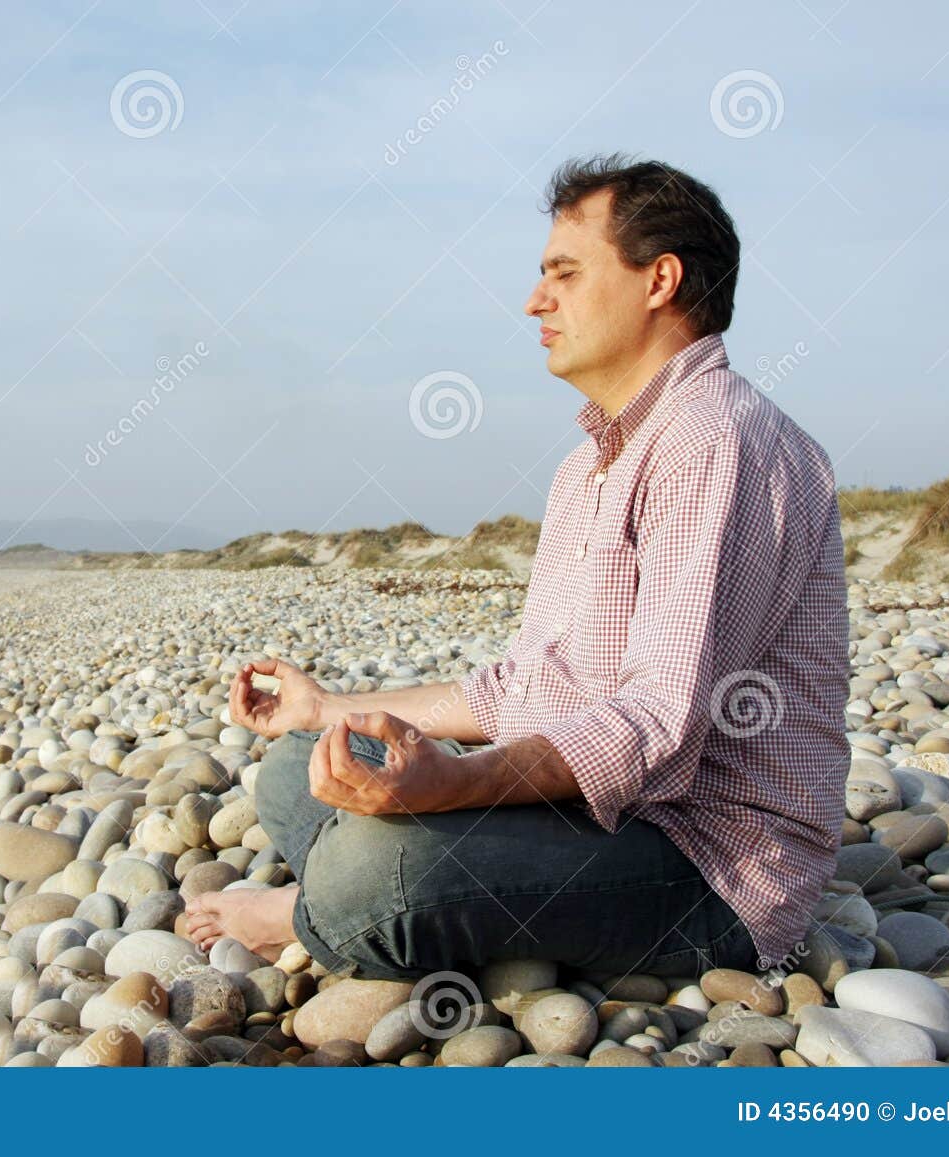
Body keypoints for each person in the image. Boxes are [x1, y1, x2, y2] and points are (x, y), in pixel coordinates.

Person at [184, 153, 851, 983]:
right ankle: (365, 891)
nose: (537, 300)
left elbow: (658, 727)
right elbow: (521, 687)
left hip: (710, 864)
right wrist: (327, 705)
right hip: (598, 815)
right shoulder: (591, 466)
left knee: (370, 874)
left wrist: (454, 785)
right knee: (301, 763)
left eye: (565, 275)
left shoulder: (717, 441)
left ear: (660, 280)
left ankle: (316, 909)